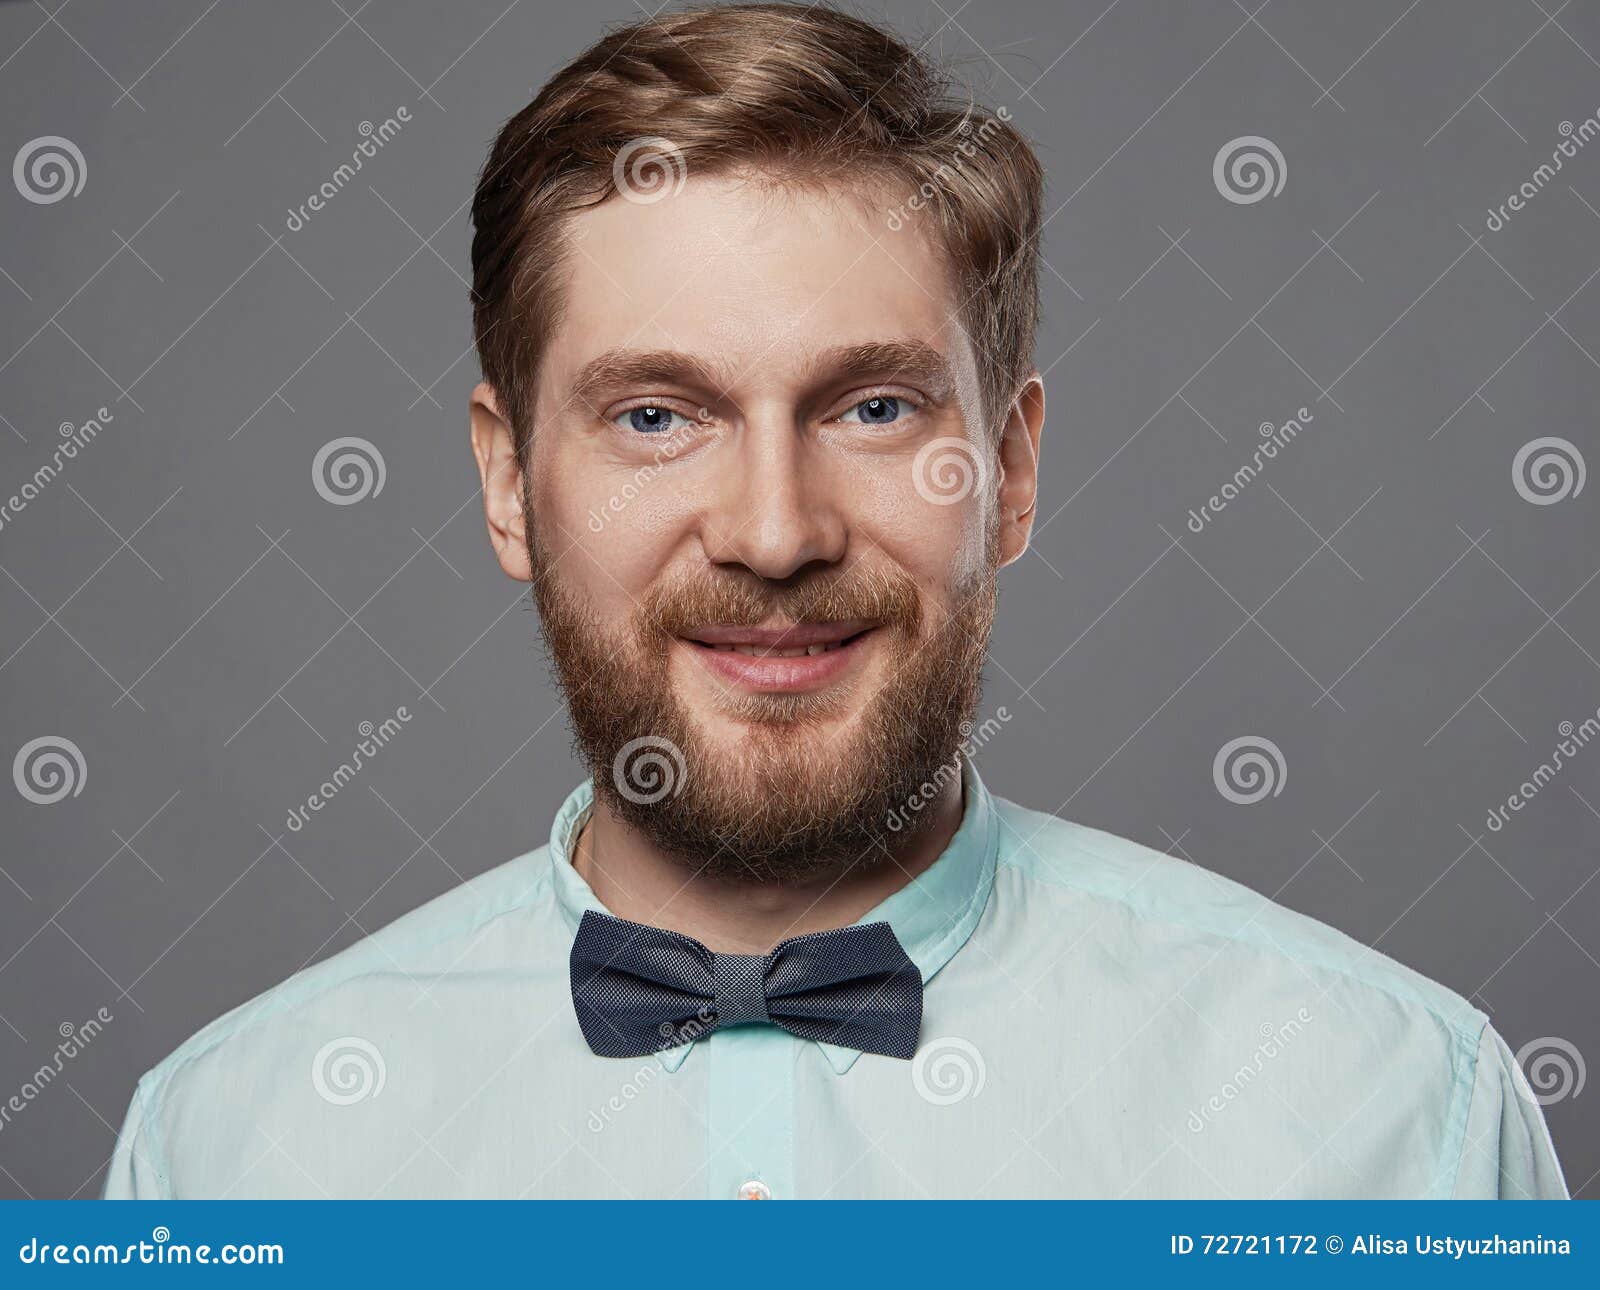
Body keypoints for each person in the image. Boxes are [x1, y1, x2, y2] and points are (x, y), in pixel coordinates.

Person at [105, 3, 1566, 1200]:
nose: (774, 531)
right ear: (506, 484)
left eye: (870, 406)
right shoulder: (230, 1154)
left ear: (1007, 468)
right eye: (658, 417)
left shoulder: (1394, 1115)